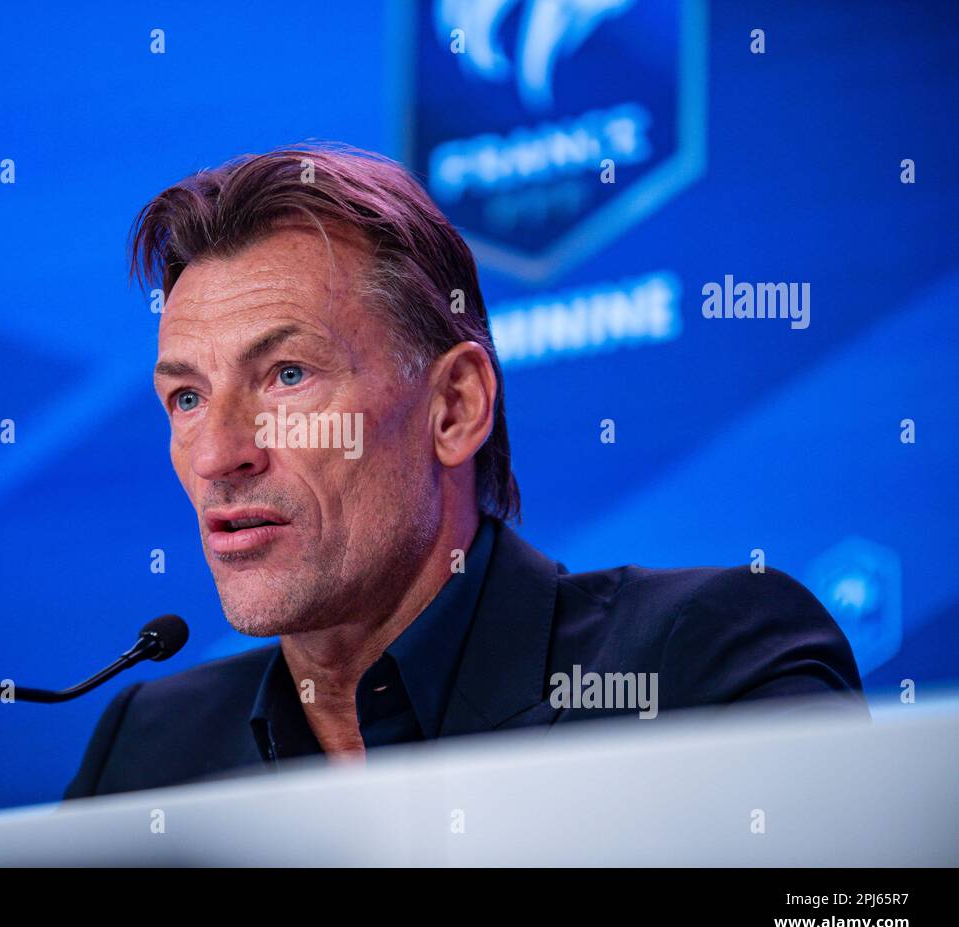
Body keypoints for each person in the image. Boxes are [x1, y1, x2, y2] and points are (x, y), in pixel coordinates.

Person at [64, 145, 863, 800]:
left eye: (287, 376)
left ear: (453, 408)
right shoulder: (146, 755)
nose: (216, 456)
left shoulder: (702, 665)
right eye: (188, 396)